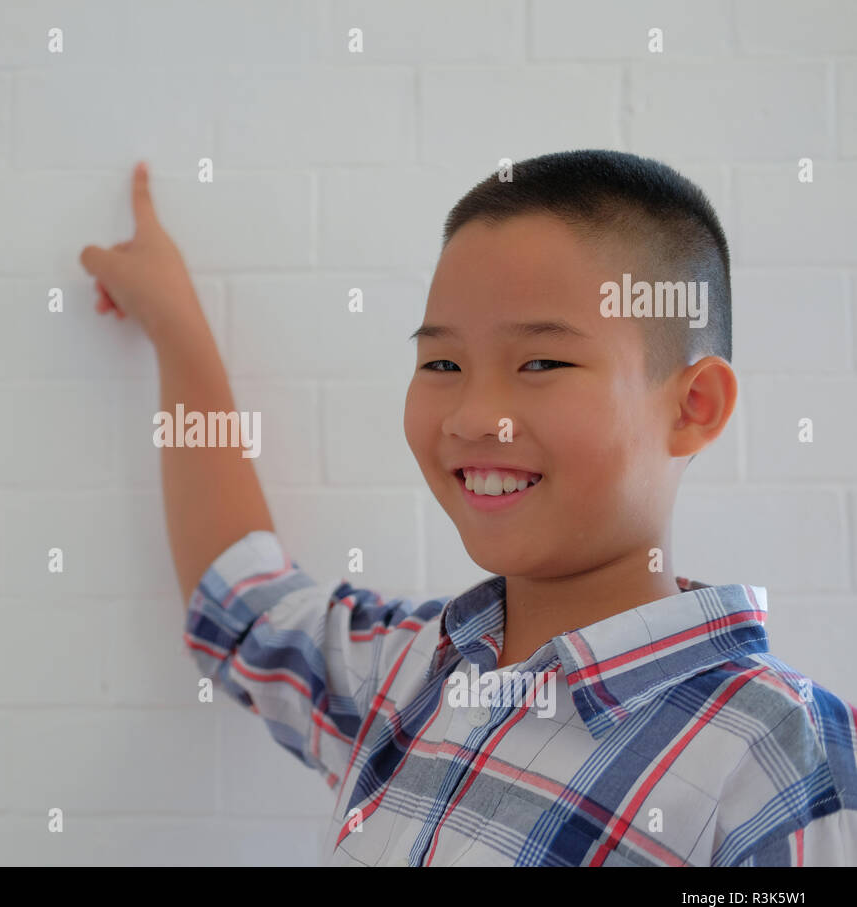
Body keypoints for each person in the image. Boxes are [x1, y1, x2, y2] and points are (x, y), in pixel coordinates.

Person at [78, 151, 857, 866]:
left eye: (542, 362)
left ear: (693, 406)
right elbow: (239, 601)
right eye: (442, 362)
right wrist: (174, 322)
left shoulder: (783, 756)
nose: (475, 415)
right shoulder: (406, 673)